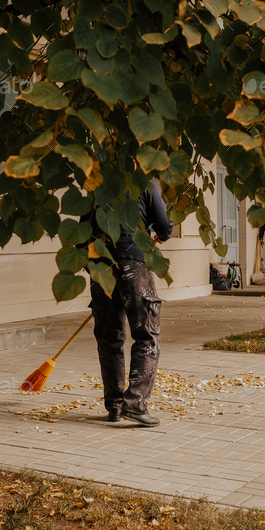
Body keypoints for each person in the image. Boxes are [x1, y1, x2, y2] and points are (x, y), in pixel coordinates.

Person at [85, 181, 173, 427]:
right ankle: (134, 404)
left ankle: (114, 405)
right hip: (133, 261)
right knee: (146, 335)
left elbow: (83, 230)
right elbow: (164, 225)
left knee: (109, 337)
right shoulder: (145, 183)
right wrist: (164, 234)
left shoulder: (97, 184)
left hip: (100, 264)